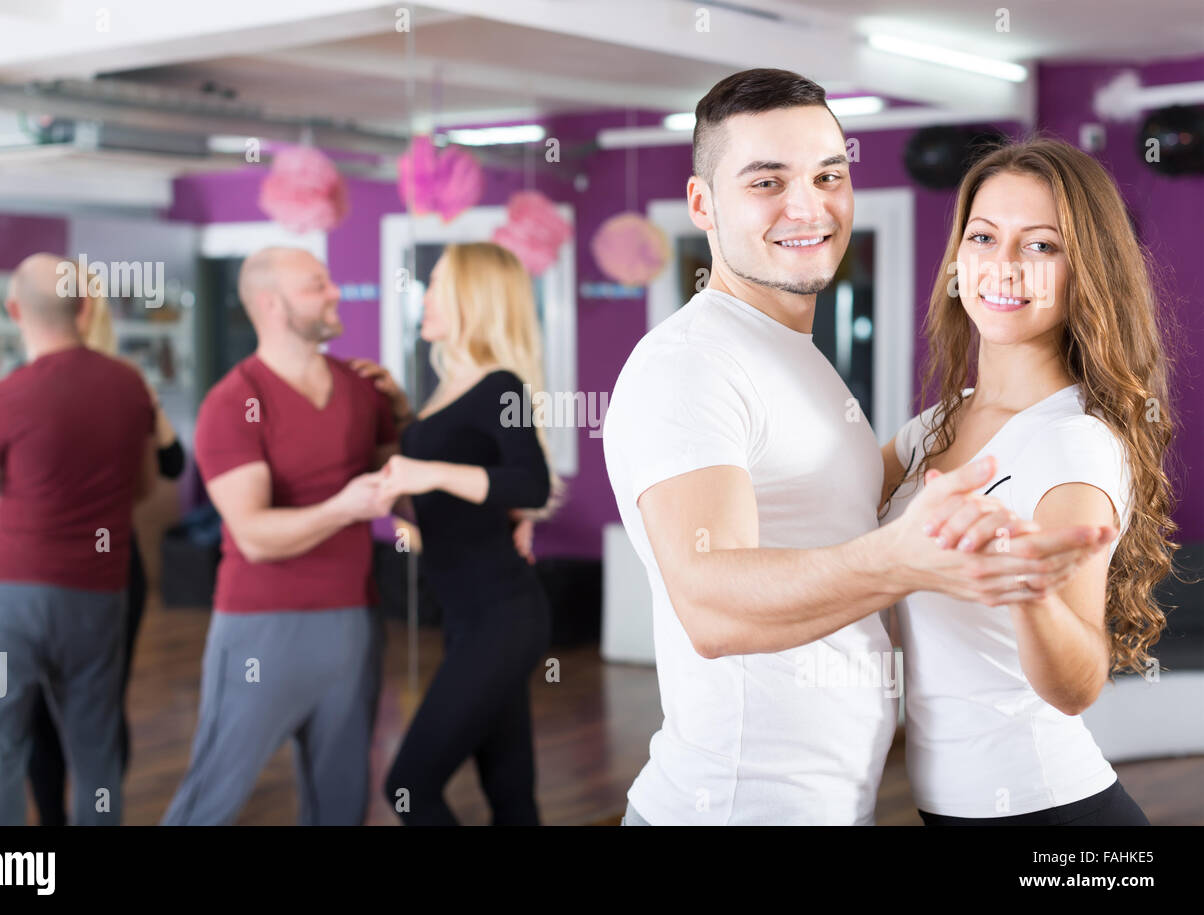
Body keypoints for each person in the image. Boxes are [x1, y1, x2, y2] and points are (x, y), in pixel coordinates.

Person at [601, 69, 1115, 826]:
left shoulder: (799, 360)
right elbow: (709, 605)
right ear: (703, 204)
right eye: (767, 180)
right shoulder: (692, 360)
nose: (807, 205)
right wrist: (905, 557)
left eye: (828, 174)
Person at [879, 138, 1175, 826]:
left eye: (1041, 246)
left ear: (1086, 272)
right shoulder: (937, 424)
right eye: (983, 236)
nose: (1003, 265)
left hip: (1048, 811)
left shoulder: (1071, 444)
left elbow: (1078, 685)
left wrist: (1029, 588)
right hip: (949, 805)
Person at [0, 287, 186, 826]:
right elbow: (146, 486)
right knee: (96, 749)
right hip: (100, 593)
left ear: (13, 311)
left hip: (11, 596)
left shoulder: (3, 396)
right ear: (84, 307)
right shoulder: (131, 386)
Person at [161, 246, 399, 826]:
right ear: (271, 304)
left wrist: (405, 411)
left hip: (354, 621)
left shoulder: (366, 390)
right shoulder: (234, 401)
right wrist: (343, 507)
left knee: (341, 804)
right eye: (317, 284)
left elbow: (404, 488)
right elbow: (256, 535)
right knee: (211, 799)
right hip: (262, 628)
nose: (334, 292)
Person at [353, 242, 561, 825]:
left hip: (503, 615)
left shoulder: (500, 385)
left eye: (439, 282)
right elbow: (439, 507)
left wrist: (426, 470)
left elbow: (532, 485)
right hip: (470, 616)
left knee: (407, 788)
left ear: (472, 298)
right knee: (511, 793)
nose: (426, 294)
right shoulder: (446, 390)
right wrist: (400, 418)